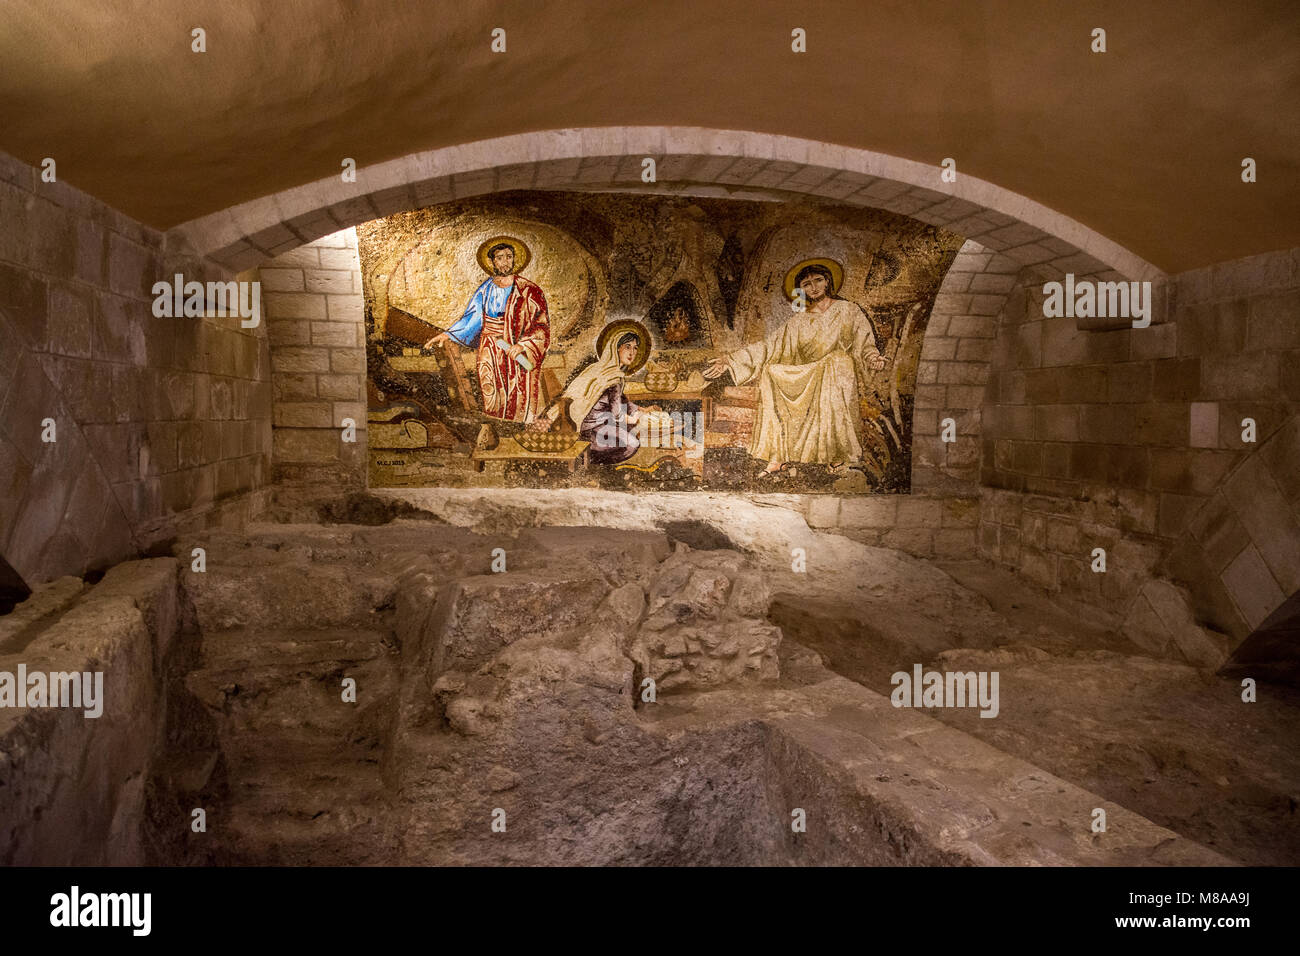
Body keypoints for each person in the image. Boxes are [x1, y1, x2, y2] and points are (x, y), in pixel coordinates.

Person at [703, 262, 886, 475]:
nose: (814, 287)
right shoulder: (799, 321)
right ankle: (778, 457)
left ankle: (838, 455)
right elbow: (769, 346)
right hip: (808, 373)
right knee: (771, 371)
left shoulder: (848, 310)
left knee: (838, 360)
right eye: (807, 284)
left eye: (818, 280)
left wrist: (873, 358)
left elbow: (864, 342)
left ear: (827, 281)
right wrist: (730, 359)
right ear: (802, 290)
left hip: (835, 373)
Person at [424, 240, 549, 423]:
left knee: (518, 391)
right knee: (491, 390)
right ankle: (497, 427)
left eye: (509, 257)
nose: (505, 262)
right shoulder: (486, 289)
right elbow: (472, 319)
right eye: (500, 258)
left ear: (515, 260)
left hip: (516, 349)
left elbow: (541, 326)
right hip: (490, 348)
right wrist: (448, 334)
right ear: (492, 262)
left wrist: (523, 346)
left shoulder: (529, 290)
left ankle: (520, 427)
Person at [536, 328, 658, 465]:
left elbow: (619, 401)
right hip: (590, 431)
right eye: (627, 347)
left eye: (635, 348)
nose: (632, 353)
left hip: (582, 425)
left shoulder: (598, 369)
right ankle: (587, 461)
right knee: (633, 443)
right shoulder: (614, 378)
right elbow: (618, 415)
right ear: (616, 348)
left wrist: (641, 409)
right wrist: (635, 418)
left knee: (630, 430)